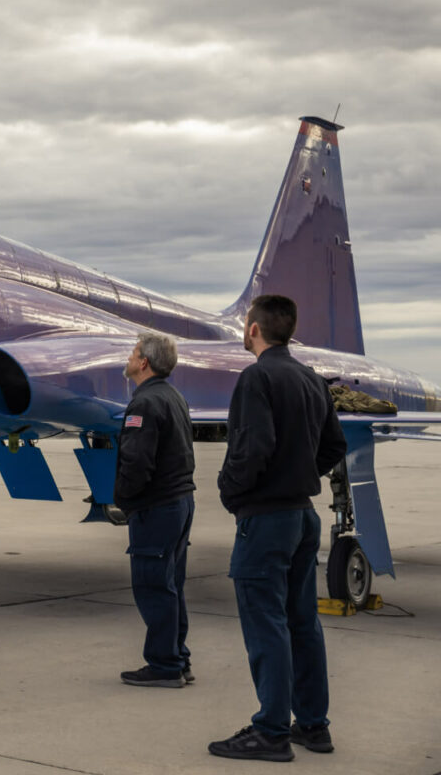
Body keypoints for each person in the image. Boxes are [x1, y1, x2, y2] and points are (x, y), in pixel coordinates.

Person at [209, 294, 346, 762]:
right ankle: (312, 725)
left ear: (252, 330)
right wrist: (301, 472)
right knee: (302, 622)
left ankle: (270, 731)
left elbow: (252, 448)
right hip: (303, 515)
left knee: (266, 623)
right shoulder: (310, 378)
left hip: (266, 519)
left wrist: (231, 491)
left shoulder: (257, 377)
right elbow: (335, 445)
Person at [114, 332, 196, 689]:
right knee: (171, 584)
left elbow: (136, 463)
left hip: (157, 507)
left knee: (152, 585)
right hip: (179, 502)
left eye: (133, 353)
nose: (129, 358)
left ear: (143, 362)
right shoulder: (173, 396)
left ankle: (164, 665)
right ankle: (178, 658)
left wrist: (125, 502)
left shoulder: (145, 404)